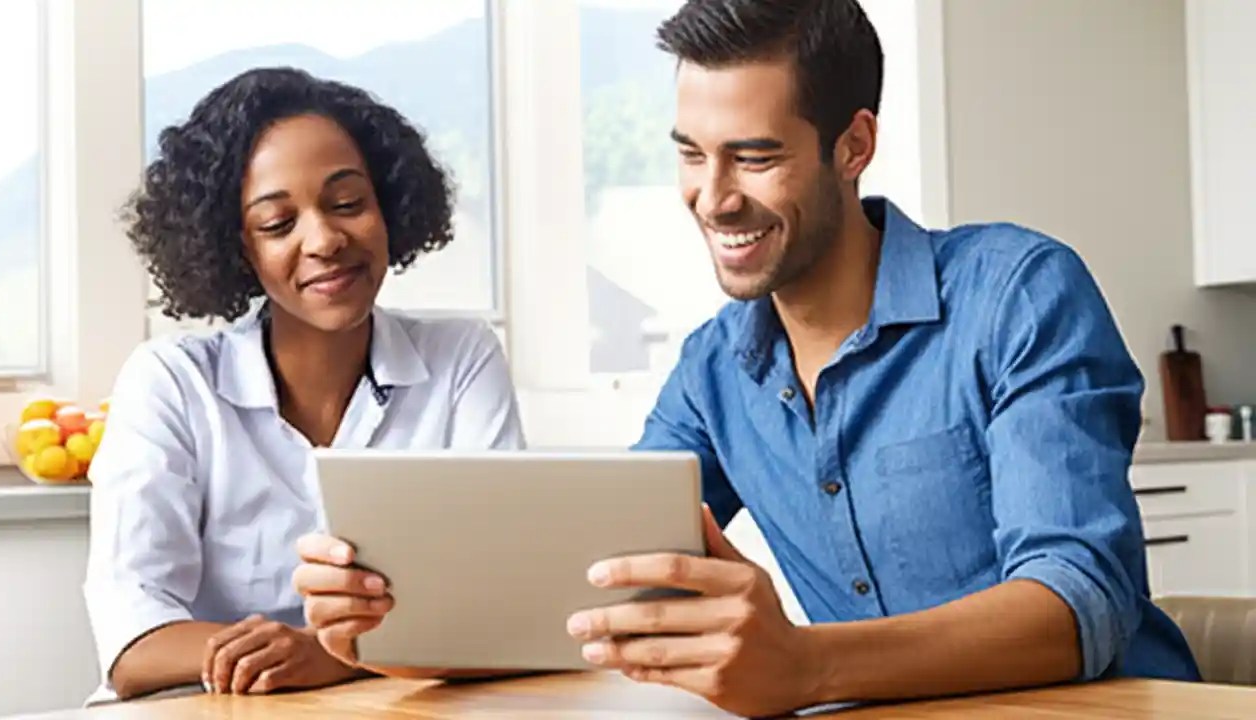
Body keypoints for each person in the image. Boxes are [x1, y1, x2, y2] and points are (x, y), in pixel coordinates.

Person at [292, 0, 1202, 716]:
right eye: (691, 154)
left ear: (853, 146)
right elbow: (596, 587)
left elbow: (1077, 599)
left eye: (755, 157)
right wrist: (387, 628)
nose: (713, 198)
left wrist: (805, 666)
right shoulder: (716, 368)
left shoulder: (1017, 294)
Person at [82, 67, 524, 704]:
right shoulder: (173, 383)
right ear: (237, 248)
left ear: (389, 204)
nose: (324, 240)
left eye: (347, 204)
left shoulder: (462, 360)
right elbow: (133, 644)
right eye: (277, 223)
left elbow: (504, 601)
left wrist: (332, 655)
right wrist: (307, 656)